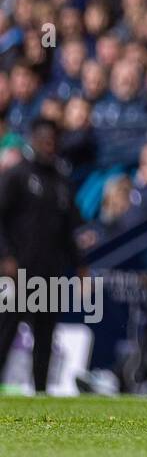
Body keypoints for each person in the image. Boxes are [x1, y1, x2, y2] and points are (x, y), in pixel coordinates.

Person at [0, 120, 82, 393]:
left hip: (49, 273)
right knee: (5, 331)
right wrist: (6, 256)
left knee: (45, 335)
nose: (49, 146)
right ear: (34, 140)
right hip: (17, 272)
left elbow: (69, 232)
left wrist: (81, 267)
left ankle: (42, 392)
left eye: (53, 141)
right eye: (45, 140)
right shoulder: (17, 175)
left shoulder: (61, 182)